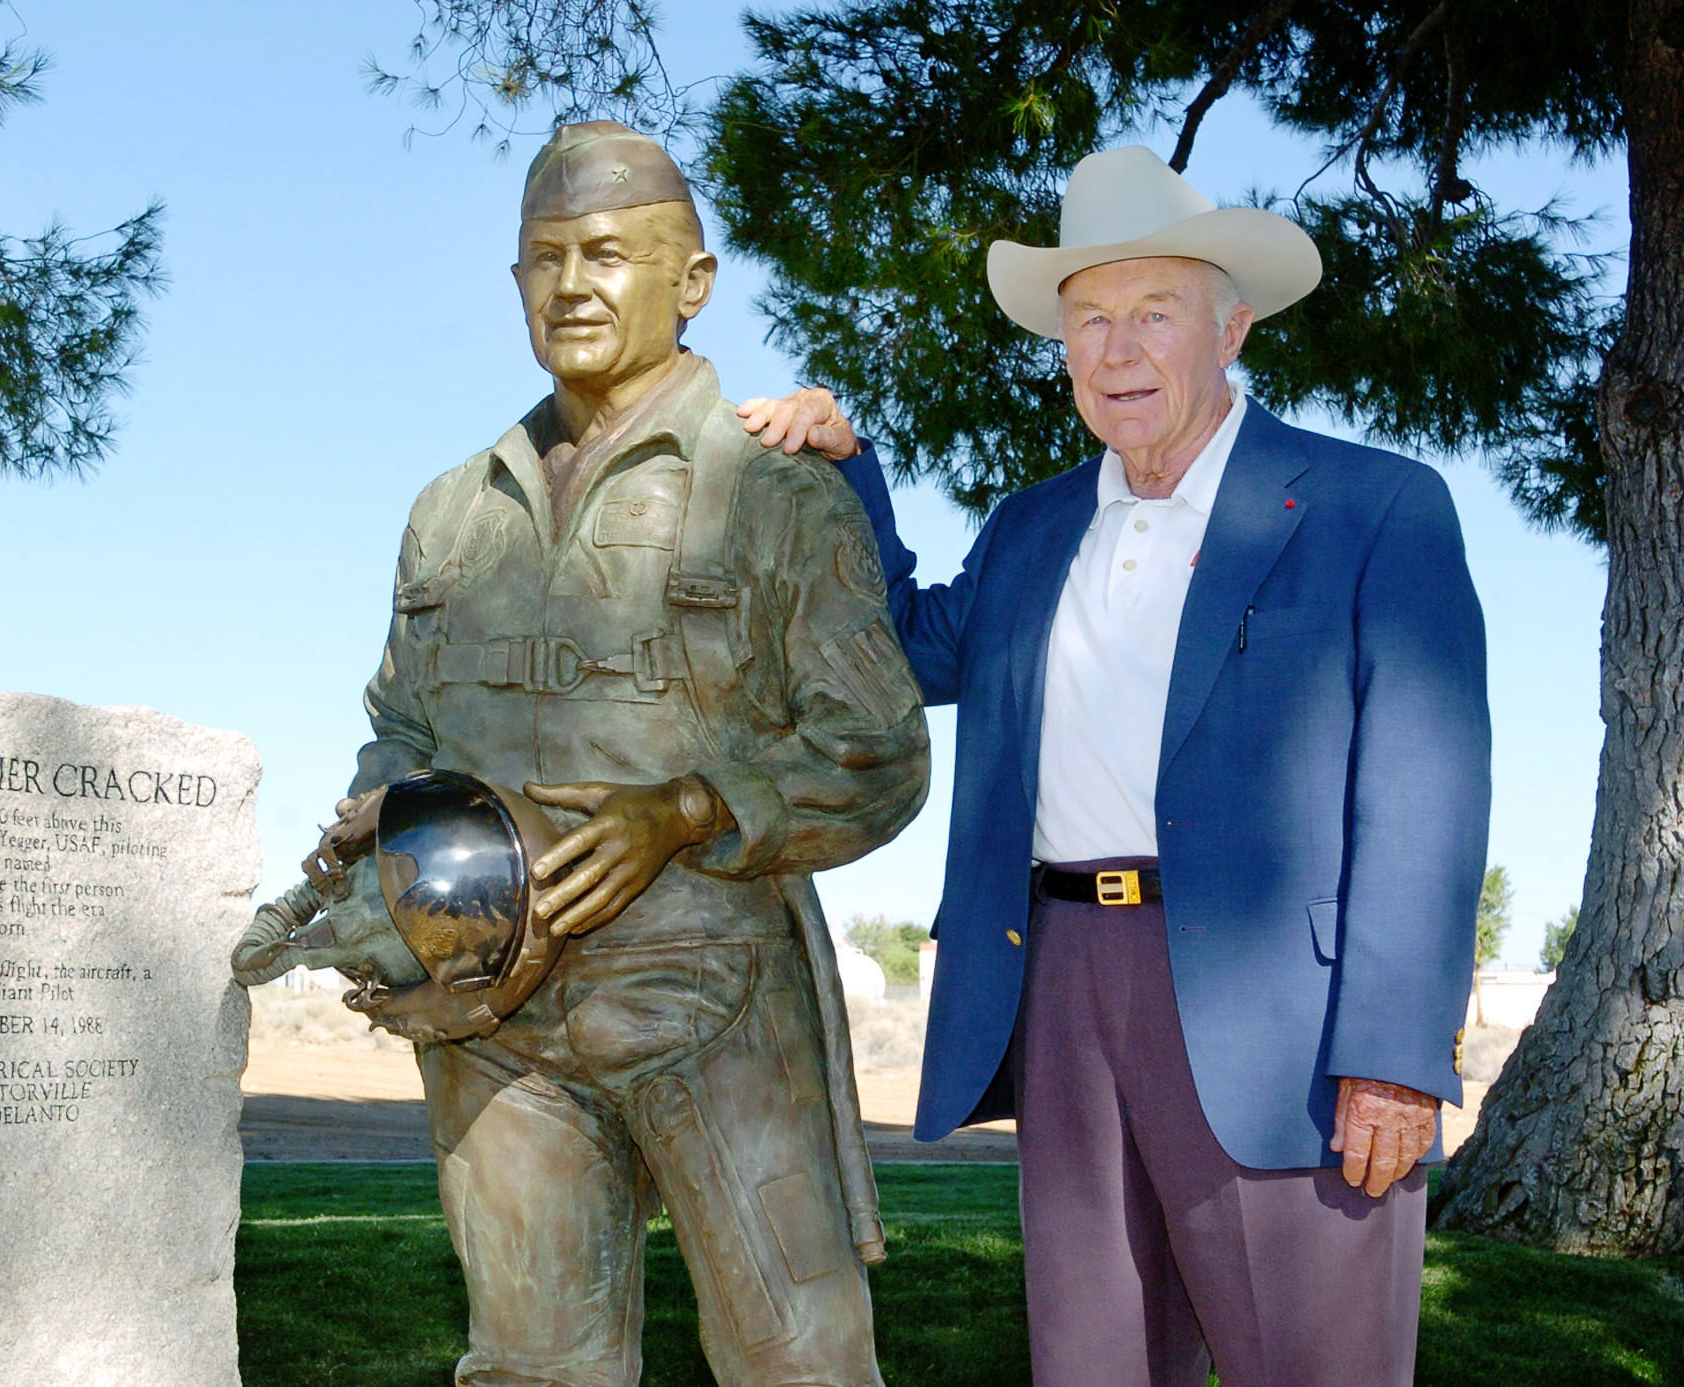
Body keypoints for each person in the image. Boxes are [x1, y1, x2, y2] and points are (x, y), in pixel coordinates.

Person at [742, 144, 1490, 1387]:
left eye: (1153, 312)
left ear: (1230, 328)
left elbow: (1426, 794)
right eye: (1088, 319)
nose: (1117, 349)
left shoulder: (1371, 506)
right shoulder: (1032, 527)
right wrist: (842, 468)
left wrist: (1394, 1053)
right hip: (1061, 988)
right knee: (1091, 1362)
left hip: (1287, 1027)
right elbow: (898, 646)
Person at [317, 121, 929, 1387]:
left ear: (690, 280)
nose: (572, 285)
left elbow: (877, 751)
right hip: (495, 1017)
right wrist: (391, 847)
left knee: (799, 1362)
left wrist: (688, 807)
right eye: (543, 259)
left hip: (717, 998)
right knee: (529, 1367)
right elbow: (402, 722)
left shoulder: (777, 491)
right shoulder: (451, 511)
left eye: (607, 253)